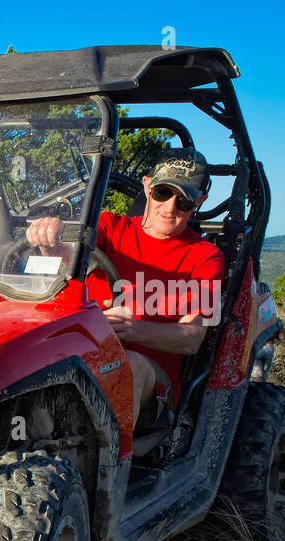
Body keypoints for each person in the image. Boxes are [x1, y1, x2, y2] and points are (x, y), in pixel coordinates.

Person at [25, 148, 225, 426]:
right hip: (82, 353)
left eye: (184, 200)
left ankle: (109, 466)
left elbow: (192, 337)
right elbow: (71, 255)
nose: (169, 207)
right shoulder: (109, 225)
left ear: (199, 202)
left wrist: (136, 330)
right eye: (163, 193)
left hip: (149, 377)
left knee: (125, 365)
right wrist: (50, 239)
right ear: (147, 185)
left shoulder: (205, 256)